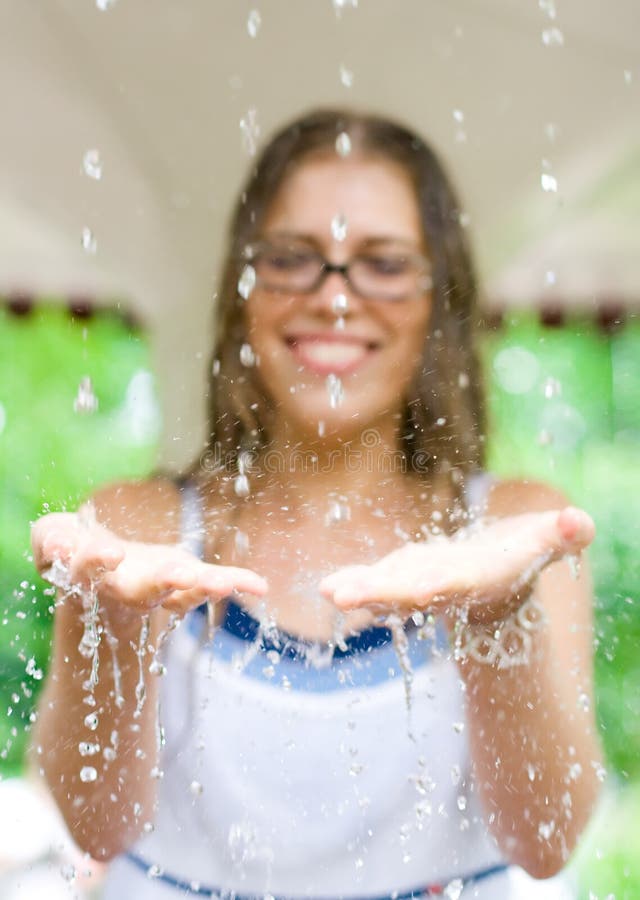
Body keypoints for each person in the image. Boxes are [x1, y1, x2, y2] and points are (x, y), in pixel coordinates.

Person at [30, 108, 602, 899]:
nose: (336, 297)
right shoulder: (137, 529)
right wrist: (114, 628)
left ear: (442, 298)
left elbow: (544, 841)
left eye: (385, 263)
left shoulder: (513, 529)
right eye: (294, 257)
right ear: (243, 290)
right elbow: (96, 829)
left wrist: (496, 621)